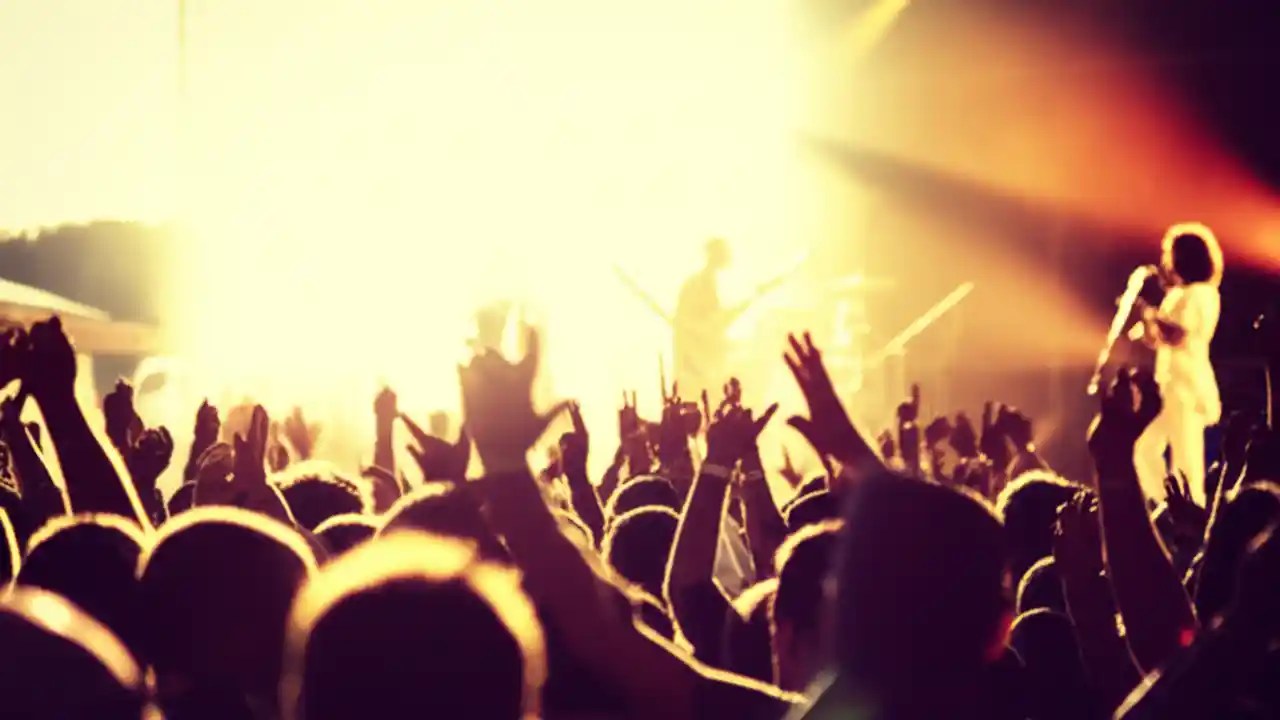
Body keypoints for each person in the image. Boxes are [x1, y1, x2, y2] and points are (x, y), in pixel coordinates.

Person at [1135, 222, 1224, 504]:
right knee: (1145, 449)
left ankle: (1188, 513)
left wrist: (1150, 313)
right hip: (1172, 386)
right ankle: (1167, 505)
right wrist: (1148, 323)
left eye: (1170, 253)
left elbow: (1178, 335)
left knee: (1186, 461)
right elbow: (1160, 339)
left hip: (1188, 386)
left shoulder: (1202, 293)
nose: (1166, 260)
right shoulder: (1176, 294)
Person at [674, 238, 734, 399]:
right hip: (694, 353)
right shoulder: (700, 282)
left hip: (699, 351)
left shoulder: (706, 280)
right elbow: (705, 317)